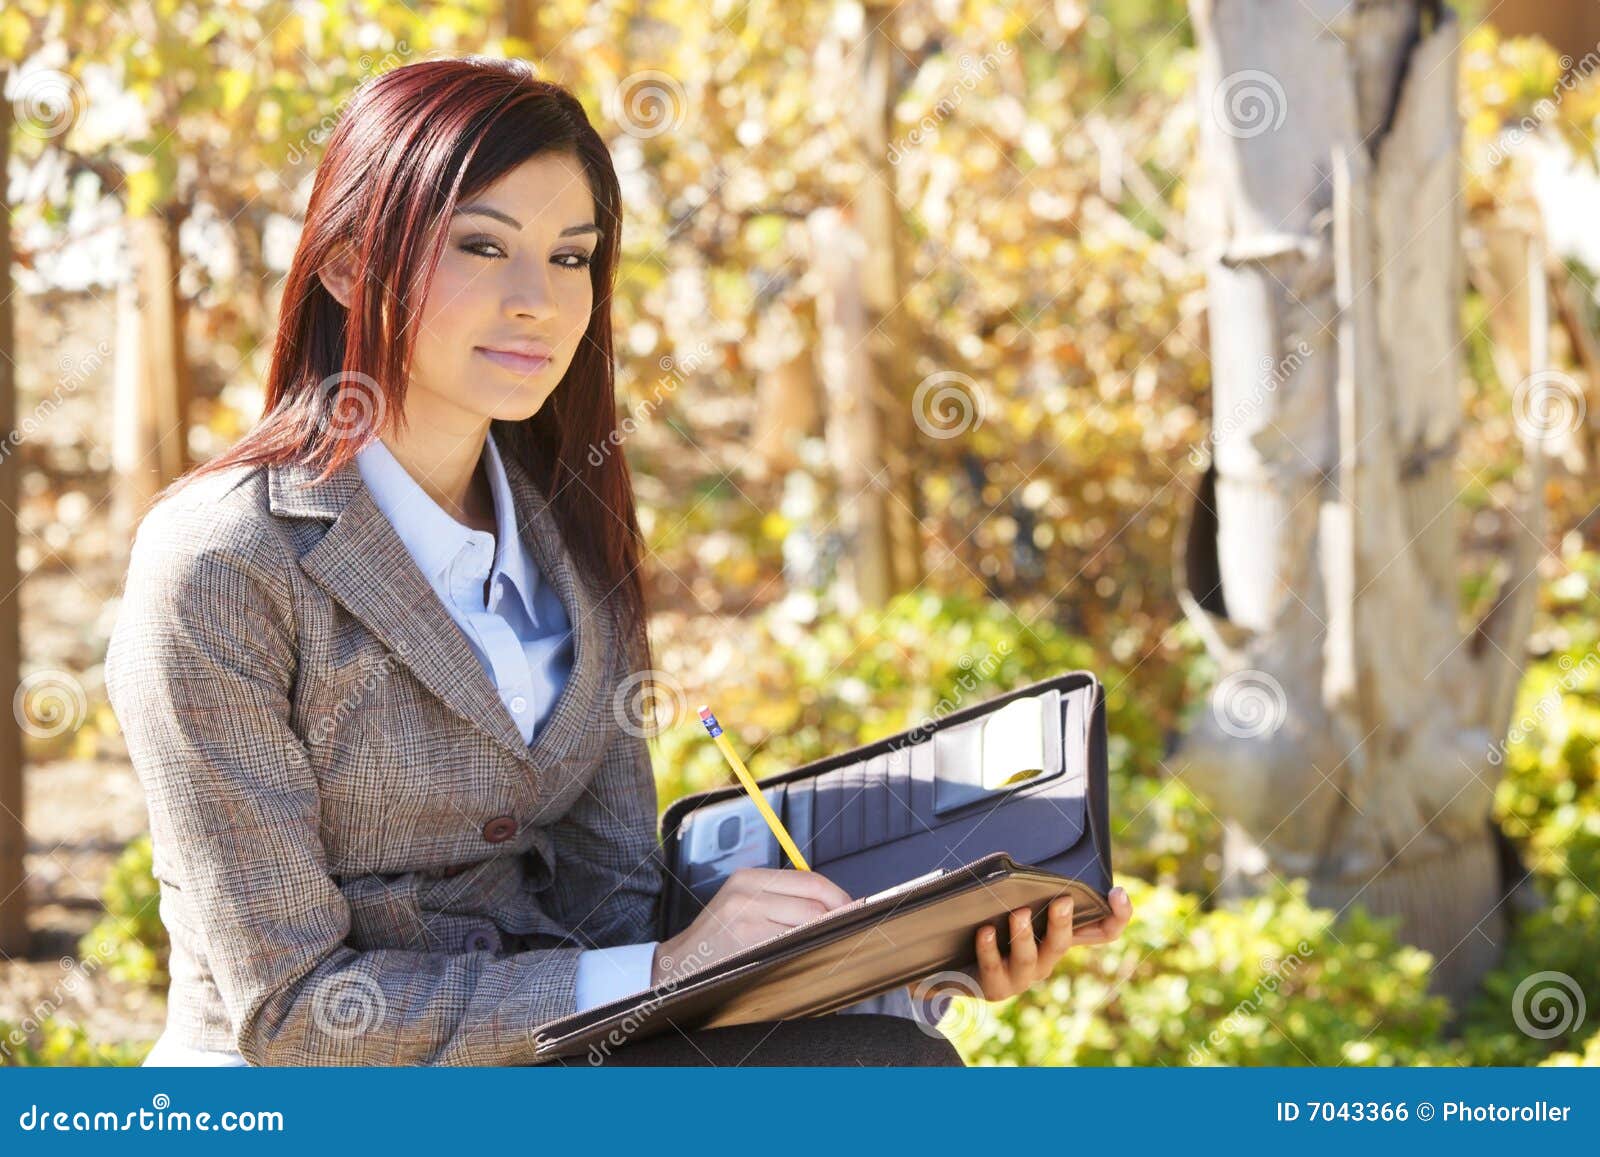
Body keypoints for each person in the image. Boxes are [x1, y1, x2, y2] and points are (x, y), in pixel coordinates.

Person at [107, 56, 1132, 1068]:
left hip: (562, 1066)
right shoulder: (221, 565)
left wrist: (914, 948)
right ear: (343, 263)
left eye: (570, 257)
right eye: (480, 244)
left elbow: (614, 906)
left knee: (887, 1053)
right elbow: (293, 1013)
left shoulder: (570, 529)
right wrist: (666, 966)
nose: (538, 302)